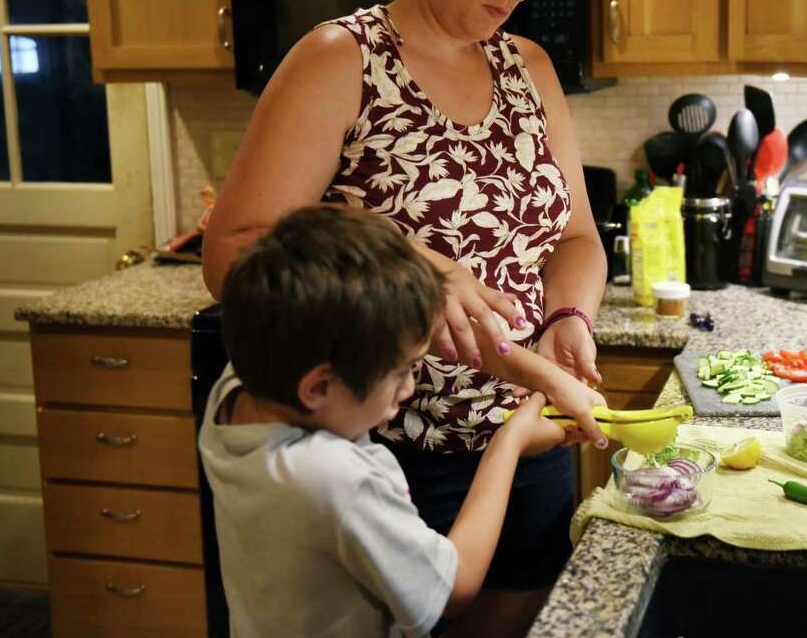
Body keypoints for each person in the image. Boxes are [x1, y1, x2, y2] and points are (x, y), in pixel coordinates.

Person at [202, 0, 608, 632]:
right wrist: (416, 267)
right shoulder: (340, 59)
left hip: (525, 433)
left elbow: (577, 237)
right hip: (385, 446)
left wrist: (569, 319)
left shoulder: (531, 67)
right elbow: (232, 253)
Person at [199, 204, 570, 638]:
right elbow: (454, 586)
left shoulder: (236, 395)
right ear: (318, 388)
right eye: (399, 372)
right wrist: (509, 443)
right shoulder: (337, 478)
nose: (407, 388)